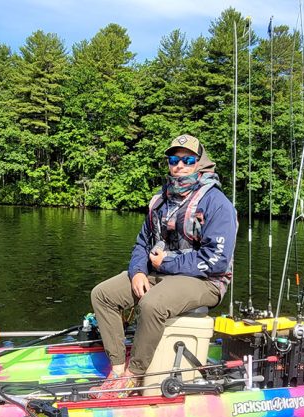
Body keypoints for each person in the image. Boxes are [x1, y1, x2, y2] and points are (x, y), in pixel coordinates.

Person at [89, 134, 237, 399]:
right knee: (103, 294)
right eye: (174, 160)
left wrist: (167, 262)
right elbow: (142, 244)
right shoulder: (160, 200)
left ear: (199, 164)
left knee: (151, 304)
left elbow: (217, 259)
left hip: (206, 281)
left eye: (187, 160)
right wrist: (137, 271)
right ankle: (117, 367)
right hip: (161, 272)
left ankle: (133, 375)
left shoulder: (217, 203)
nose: (179, 166)